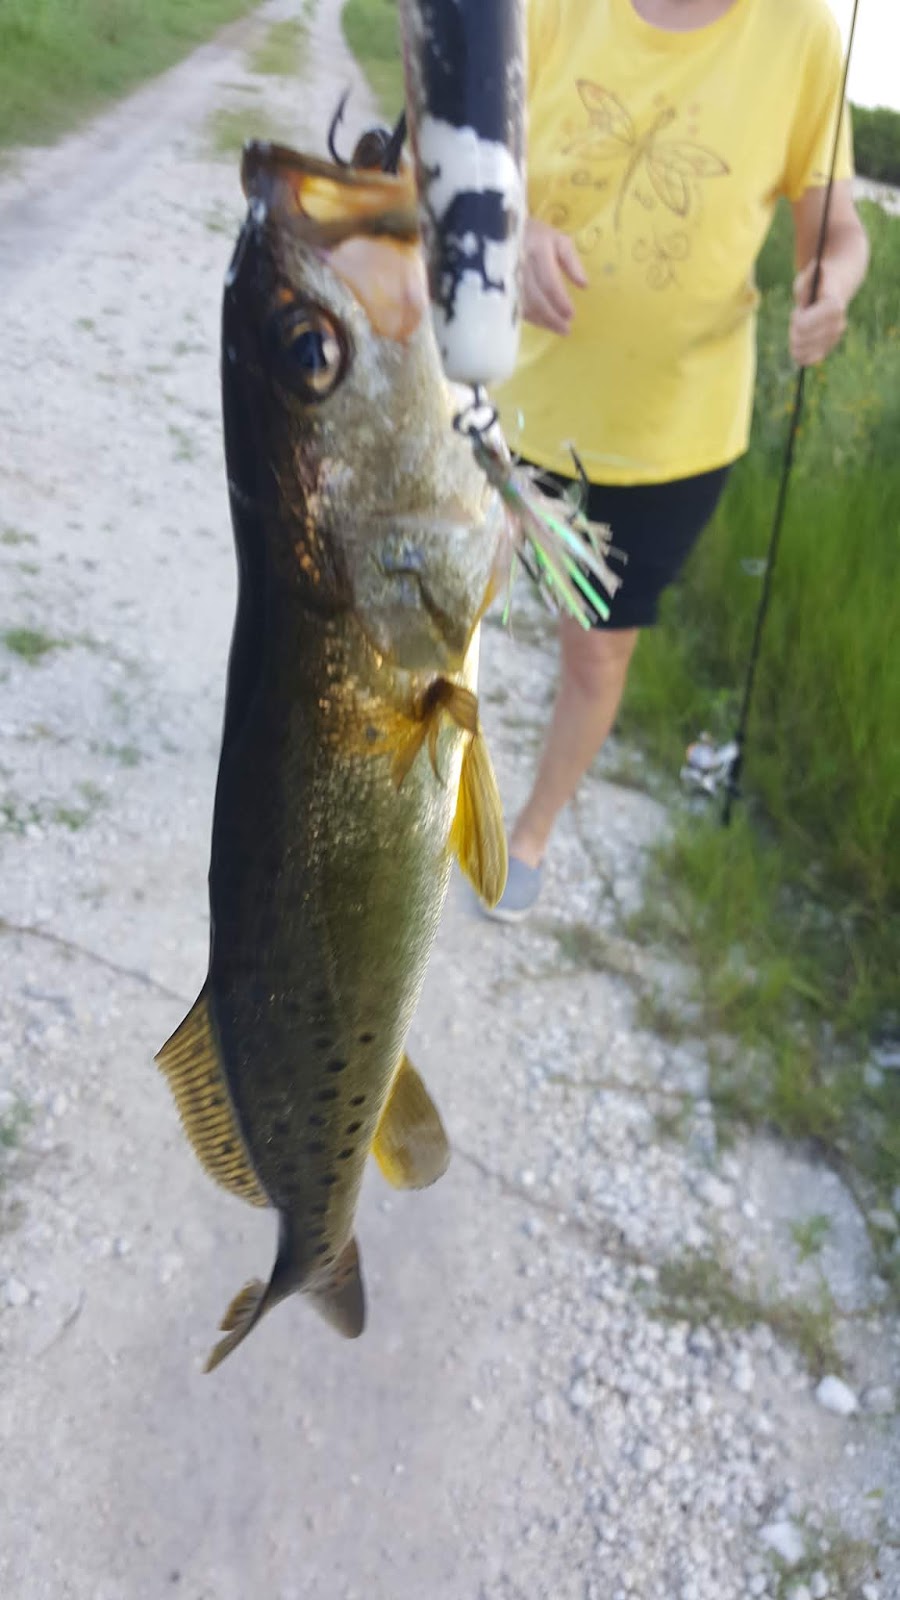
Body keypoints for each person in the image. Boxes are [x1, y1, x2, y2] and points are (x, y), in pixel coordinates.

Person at [486, 0, 869, 921]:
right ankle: (394, 789)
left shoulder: (803, 37)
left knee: (596, 659)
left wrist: (833, 288)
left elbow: (838, 236)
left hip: (670, 440)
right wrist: (515, 227)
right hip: (503, 407)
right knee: (436, 612)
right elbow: (457, 156)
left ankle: (528, 833)